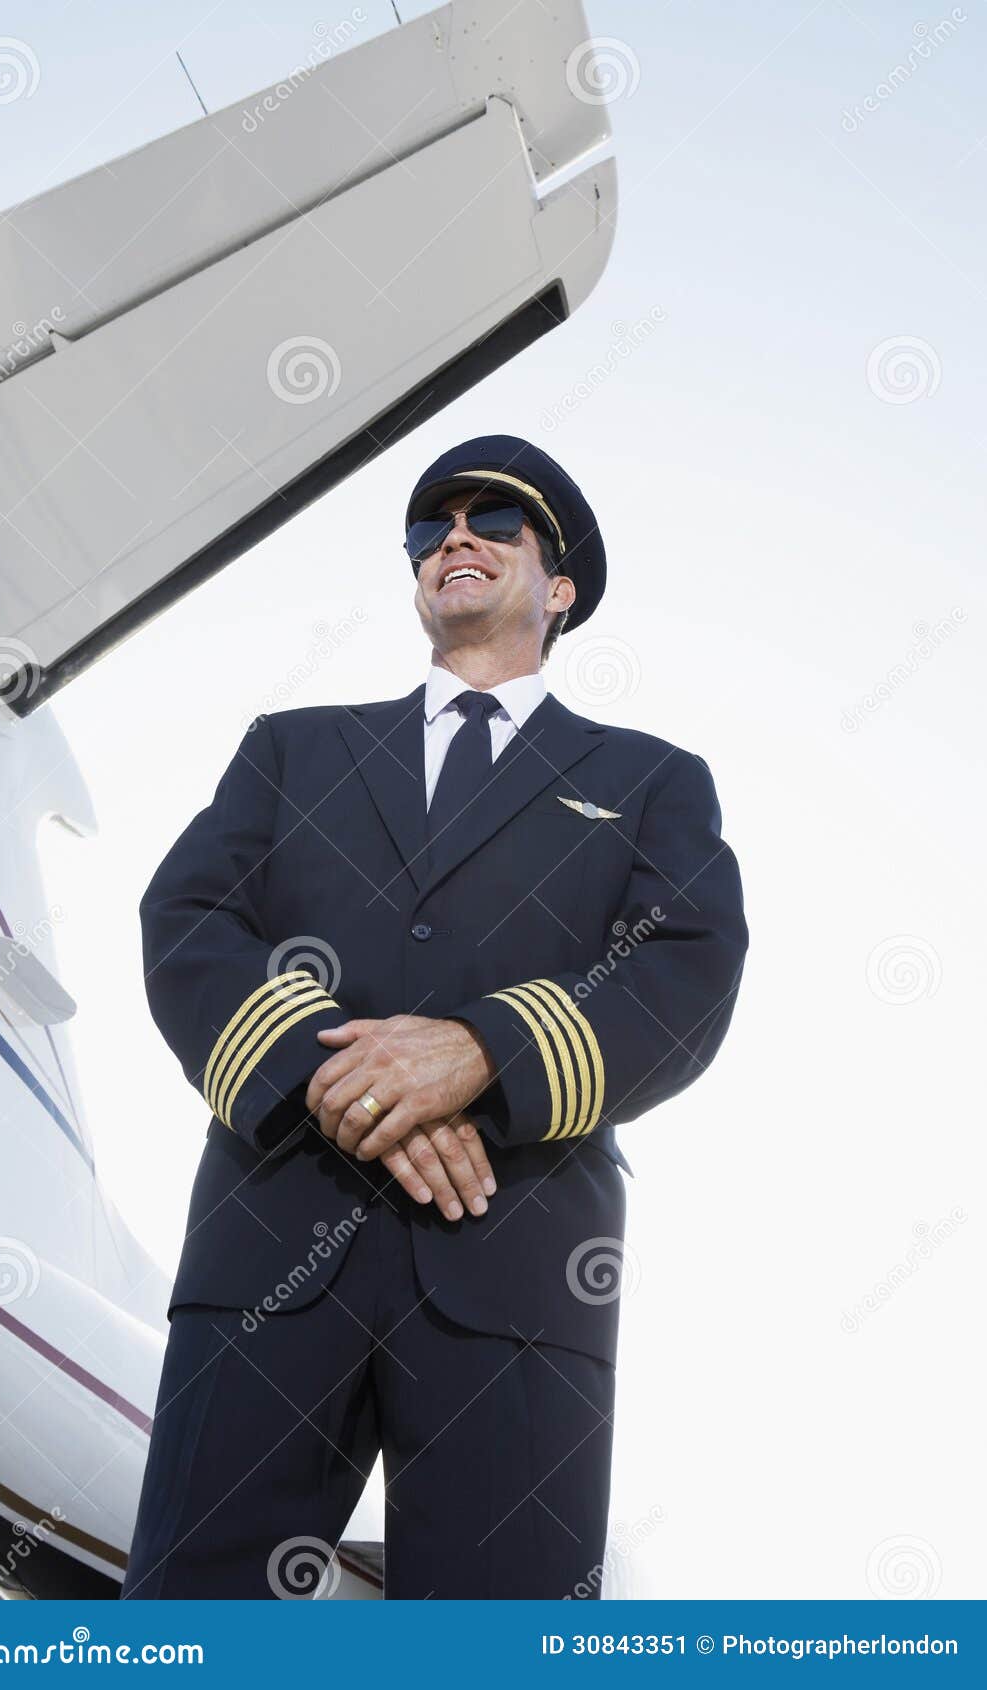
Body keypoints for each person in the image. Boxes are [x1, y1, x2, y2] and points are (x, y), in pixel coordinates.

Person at [120, 434, 749, 1600]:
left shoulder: (651, 779)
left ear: (557, 589)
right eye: (430, 528)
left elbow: (683, 972)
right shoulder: (292, 747)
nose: (454, 538)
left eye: (493, 522)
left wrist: (478, 1052)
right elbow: (190, 918)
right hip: (274, 1239)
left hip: (513, 1258)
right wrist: (343, 1080)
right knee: (191, 1626)